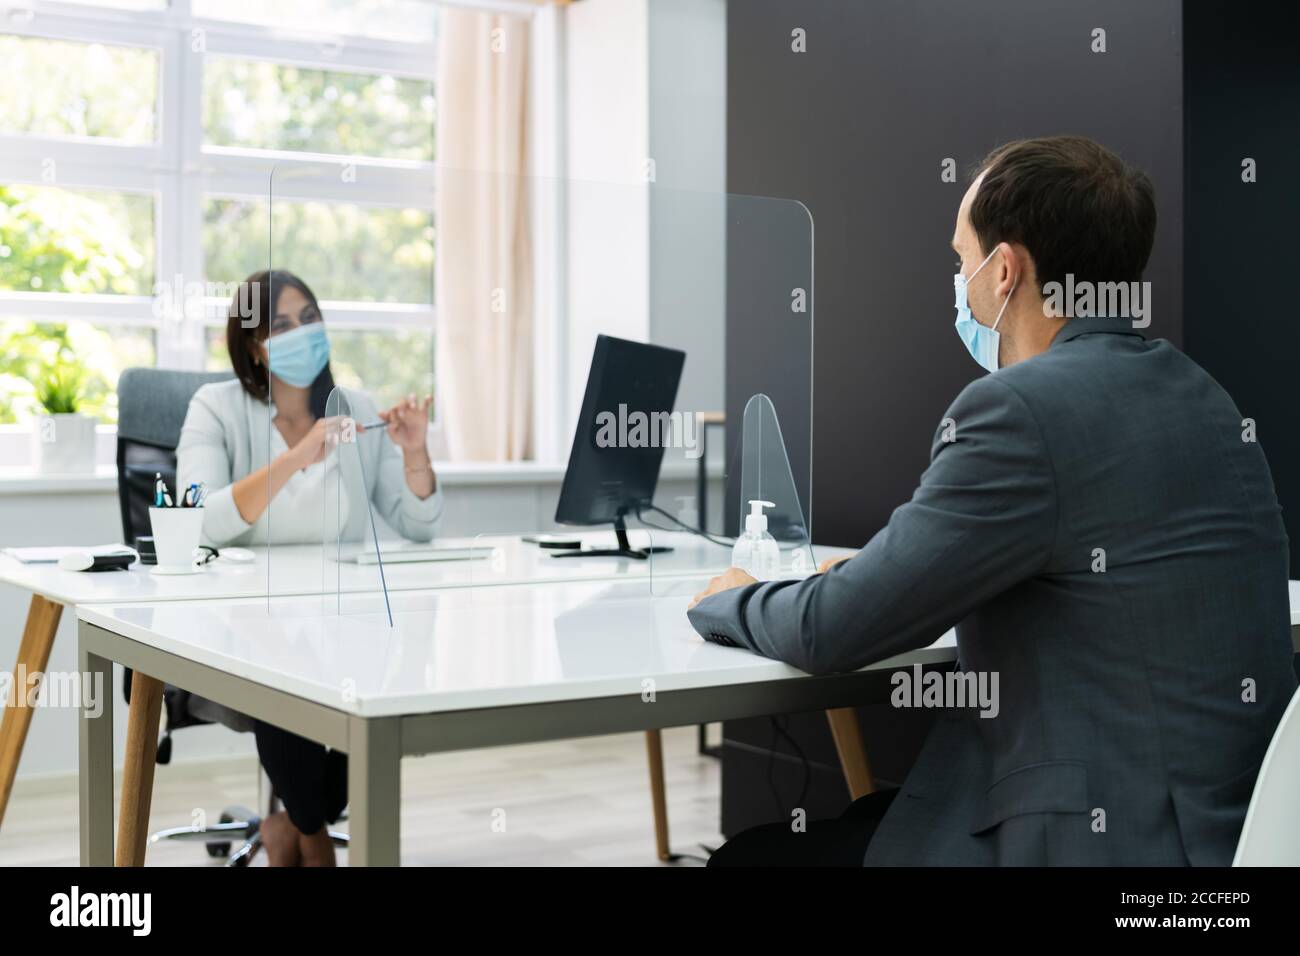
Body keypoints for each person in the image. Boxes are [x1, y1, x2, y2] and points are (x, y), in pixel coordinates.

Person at [688, 135, 1297, 867]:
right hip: (1228, 833)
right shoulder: (1204, 396)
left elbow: (835, 631)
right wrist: (877, 572)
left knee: (750, 859)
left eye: (959, 261)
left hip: (1096, 843)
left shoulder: (1018, 410)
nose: (959, 283)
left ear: (1003, 269)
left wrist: (734, 597)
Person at [177, 269, 442, 865]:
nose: (302, 334)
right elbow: (198, 522)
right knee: (282, 666)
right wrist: (298, 456)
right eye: (280, 325)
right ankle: (314, 839)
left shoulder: (357, 411)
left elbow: (419, 525)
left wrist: (416, 452)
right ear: (252, 345)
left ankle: (290, 825)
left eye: (310, 319)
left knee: (389, 680)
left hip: (345, 617)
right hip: (247, 622)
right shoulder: (215, 409)